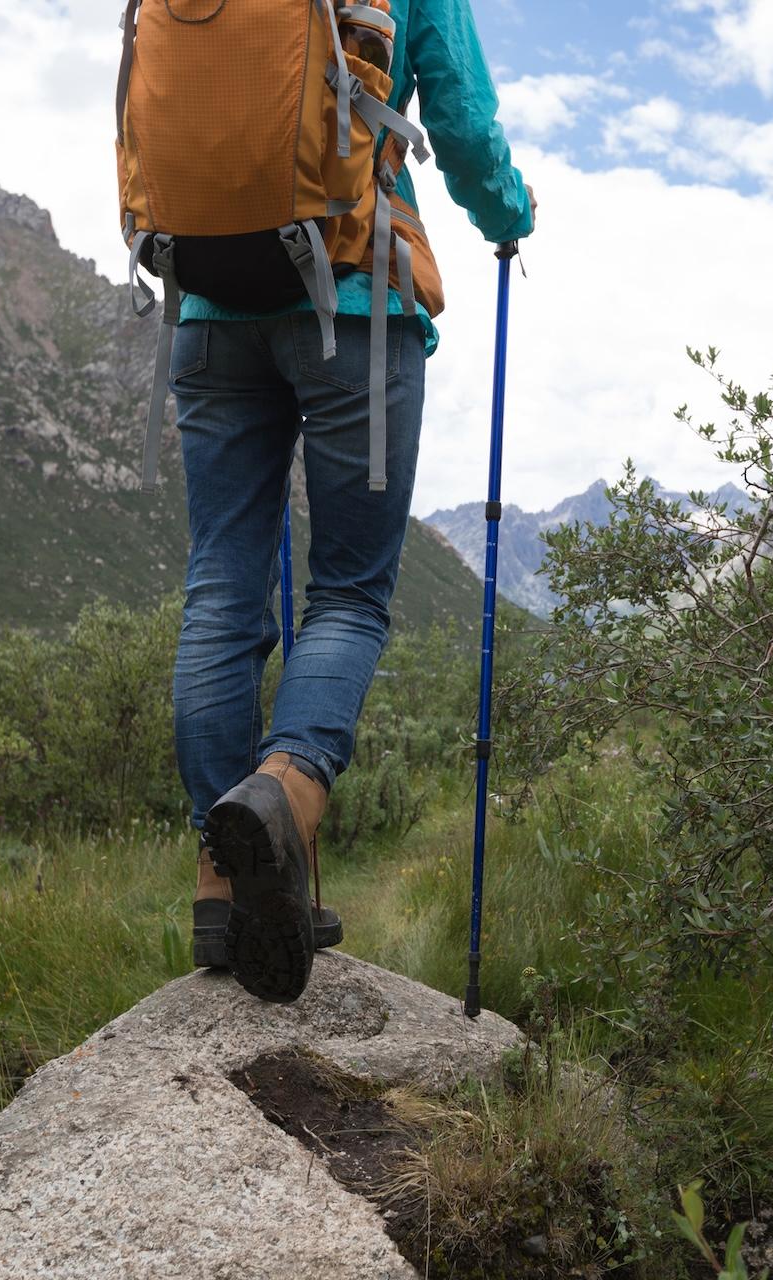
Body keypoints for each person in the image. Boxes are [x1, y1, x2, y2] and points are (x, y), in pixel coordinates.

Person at [169, 0, 534, 1005]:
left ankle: (223, 886)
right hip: (355, 291)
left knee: (220, 590)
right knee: (348, 595)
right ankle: (283, 804)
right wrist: (509, 215)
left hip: (208, 303)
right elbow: (461, 119)